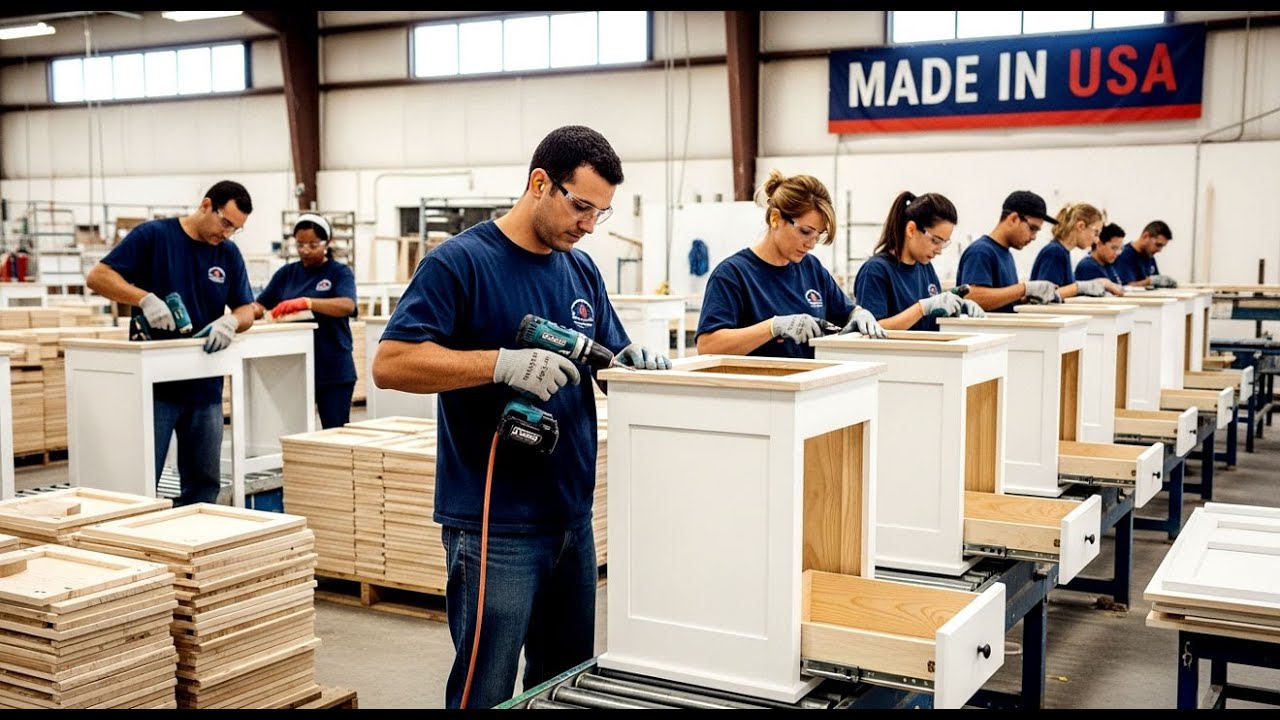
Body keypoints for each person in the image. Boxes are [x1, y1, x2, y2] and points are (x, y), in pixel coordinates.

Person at [370, 125, 672, 710]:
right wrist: (501, 364)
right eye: (581, 206)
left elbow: (607, 360)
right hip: (494, 525)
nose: (588, 226)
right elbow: (391, 363)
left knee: (564, 687)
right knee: (486, 688)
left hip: (571, 519)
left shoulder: (581, 271)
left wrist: (632, 366)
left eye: (600, 214)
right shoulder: (460, 264)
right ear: (540, 183)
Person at [85, 180, 256, 506]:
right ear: (206, 205)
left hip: (205, 386)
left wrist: (232, 321)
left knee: (204, 484)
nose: (228, 233)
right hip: (155, 388)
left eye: (236, 229)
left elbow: (246, 307)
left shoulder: (228, 254)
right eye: (225, 223)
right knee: (142, 481)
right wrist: (144, 298)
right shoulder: (153, 237)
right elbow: (98, 276)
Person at [695, 170, 884, 357]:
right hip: (762, 385)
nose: (811, 244)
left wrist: (859, 314)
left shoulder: (812, 268)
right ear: (775, 218)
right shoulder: (733, 274)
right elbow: (708, 345)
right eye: (804, 232)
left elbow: (846, 311)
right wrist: (773, 327)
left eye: (818, 236)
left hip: (810, 382)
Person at [251, 214, 359, 429]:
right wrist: (242, 313)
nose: (305, 251)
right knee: (295, 431)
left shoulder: (339, 273)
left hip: (333, 367)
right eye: (300, 245)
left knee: (335, 432)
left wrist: (307, 302)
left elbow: (347, 306)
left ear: (327, 243)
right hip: (294, 368)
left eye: (312, 244)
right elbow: (260, 305)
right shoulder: (286, 274)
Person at [853, 190, 984, 331]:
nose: (939, 250)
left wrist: (957, 307)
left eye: (944, 243)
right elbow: (872, 330)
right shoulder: (876, 271)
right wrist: (921, 308)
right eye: (935, 241)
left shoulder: (925, 267)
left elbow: (931, 319)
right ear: (911, 229)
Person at [956, 190, 1061, 313]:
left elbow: (1001, 303)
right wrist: (1024, 289)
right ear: (1013, 219)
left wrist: (1024, 298)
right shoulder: (981, 252)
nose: (1034, 237)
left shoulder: (1005, 254)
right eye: (1032, 228)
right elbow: (972, 298)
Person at [1028, 202, 1123, 298]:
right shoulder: (1055, 252)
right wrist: (1083, 287)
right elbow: (1046, 295)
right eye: (1096, 233)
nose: (1096, 240)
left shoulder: (1063, 252)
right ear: (1081, 226)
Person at [1113, 220, 1177, 287]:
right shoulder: (1124, 255)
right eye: (1158, 245)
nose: (1159, 250)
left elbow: (1156, 282)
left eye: (1162, 246)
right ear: (1145, 236)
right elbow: (1126, 287)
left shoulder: (1149, 256)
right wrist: (1149, 281)